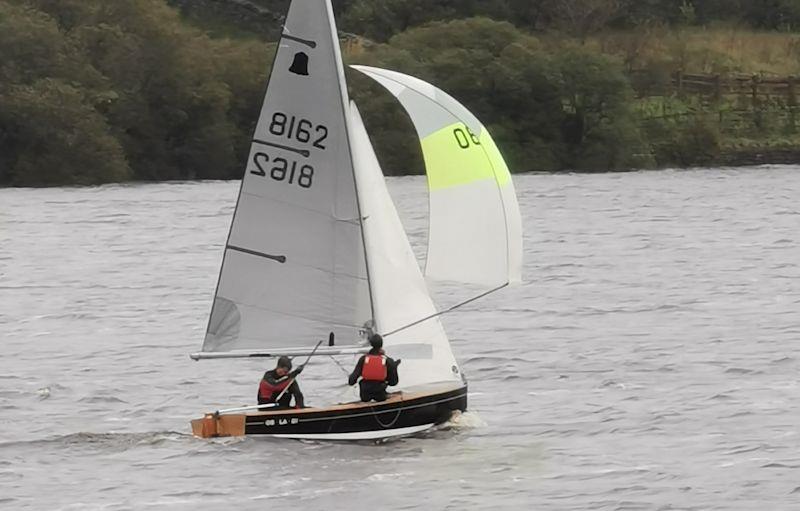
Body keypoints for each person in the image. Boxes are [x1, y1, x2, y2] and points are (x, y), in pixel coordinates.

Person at [348, 334, 400, 402]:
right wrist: (394, 367)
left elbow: (351, 381)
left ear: (371, 344)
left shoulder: (363, 359)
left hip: (365, 396)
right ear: (381, 345)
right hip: (380, 396)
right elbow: (394, 382)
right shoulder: (387, 360)